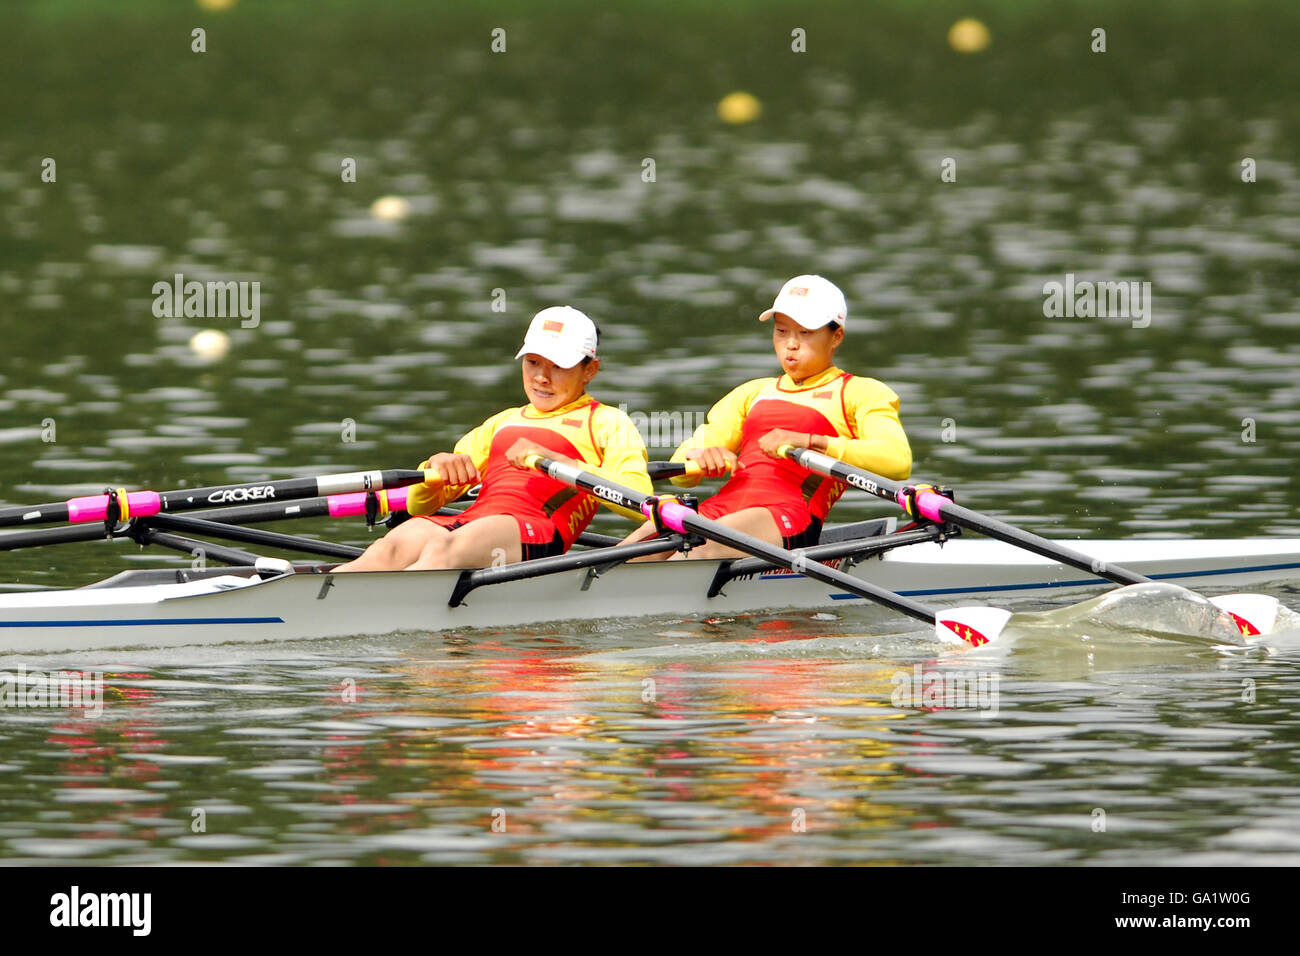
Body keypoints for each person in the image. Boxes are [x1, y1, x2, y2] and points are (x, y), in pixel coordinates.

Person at [335, 307, 651, 571]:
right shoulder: (502, 422)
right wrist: (436, 470)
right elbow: (420, 505)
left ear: (590, 370)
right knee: (387, 548)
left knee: (443, 549)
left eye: (559, 366)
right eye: (533, 362)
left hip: (535, 530)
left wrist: (556, 461)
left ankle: (386, 617)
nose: (541, 376)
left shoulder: (609, 421)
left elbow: (640, 501)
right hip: (473, 523)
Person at [624, 275, 911, 560]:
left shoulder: (861, 392)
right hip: (723, 507)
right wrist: (701, 458)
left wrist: (809, 441)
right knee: (630, 552)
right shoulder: (752, 392)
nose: (791, 345)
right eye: (782, 331)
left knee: (696, 549)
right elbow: (680, 476)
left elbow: (897, 461)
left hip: (788, 517)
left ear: (836, 336)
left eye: (805, 333)